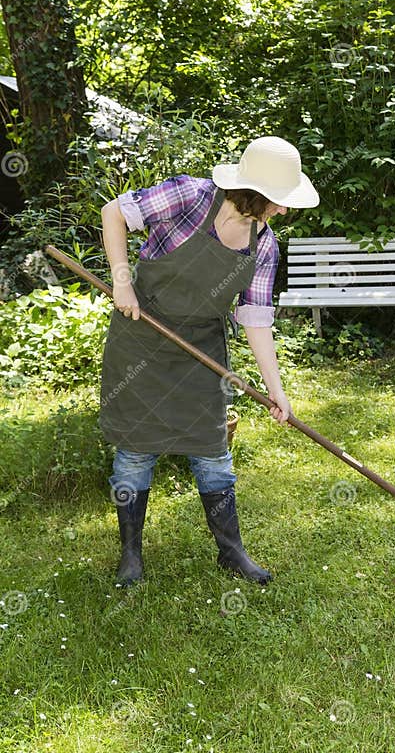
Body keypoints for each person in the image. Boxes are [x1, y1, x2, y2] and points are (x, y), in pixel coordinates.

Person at [99, 136, 319, 587]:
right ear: (257, 194)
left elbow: (256, 319)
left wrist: (276, 387)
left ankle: (232, 551)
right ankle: (131, 554)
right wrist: (122, 283)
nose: (282, 212)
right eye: (279, 202)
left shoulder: (264, 247)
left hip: (201, 349)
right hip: (142, 334)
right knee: (135, 451)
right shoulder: (192, 196)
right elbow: (114, 213)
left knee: (213, 452)